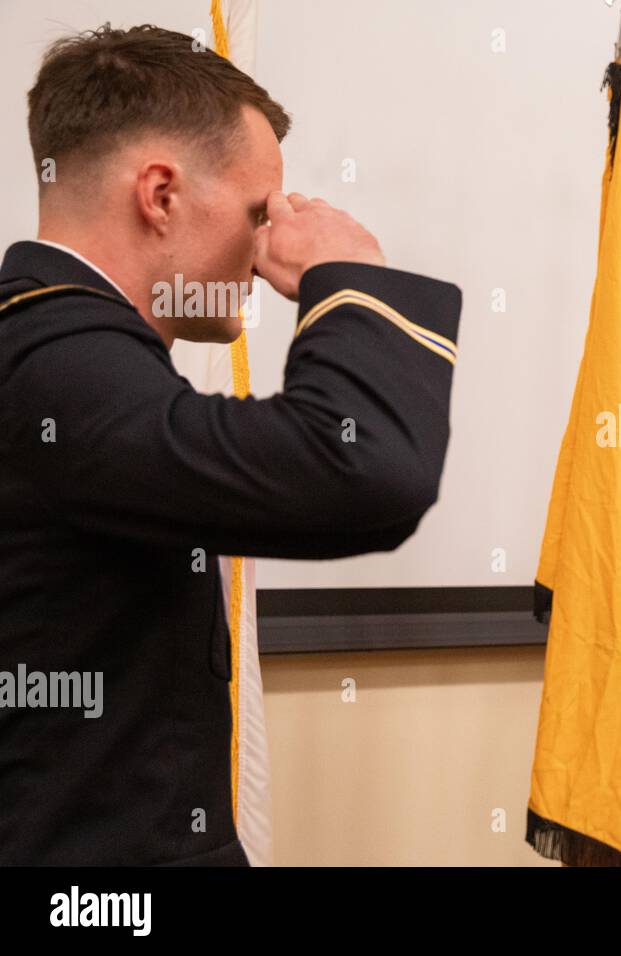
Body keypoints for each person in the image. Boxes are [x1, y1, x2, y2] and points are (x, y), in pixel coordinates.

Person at [0, 25, 461, 864]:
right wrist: (352, 280)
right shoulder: (55, 363)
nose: (263, 250)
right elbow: (363, 468)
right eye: (258, 212)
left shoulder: (59, 343)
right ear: (161, 195)